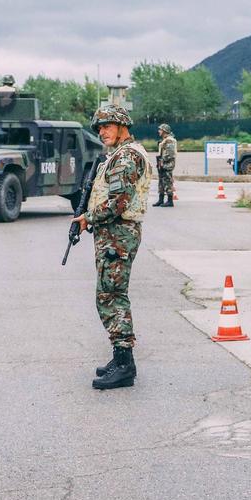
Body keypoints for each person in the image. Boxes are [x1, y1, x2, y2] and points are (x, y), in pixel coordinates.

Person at [73, 105, 152, 390]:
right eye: (99, 128)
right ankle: (120, 359)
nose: (102, 132)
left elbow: (118, 202)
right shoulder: (119, 154)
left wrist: (88, 217)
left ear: (122, 126)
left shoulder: (127, 156)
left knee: (111, 296)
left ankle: (124, 365)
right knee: (109, 293)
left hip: (118, 234)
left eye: (107, 126)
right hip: (113, 234)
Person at [152, 123, 177, 208]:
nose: (159, 131)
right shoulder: (164, 140)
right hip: (162, 163)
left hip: (167, 164)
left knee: (167, 181)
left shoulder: (169, 140)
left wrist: (163, 160)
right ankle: (161, 199)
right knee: (161, 182)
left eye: (160, 130)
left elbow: (170, 154)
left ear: (164, 131)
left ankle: (170, 201)